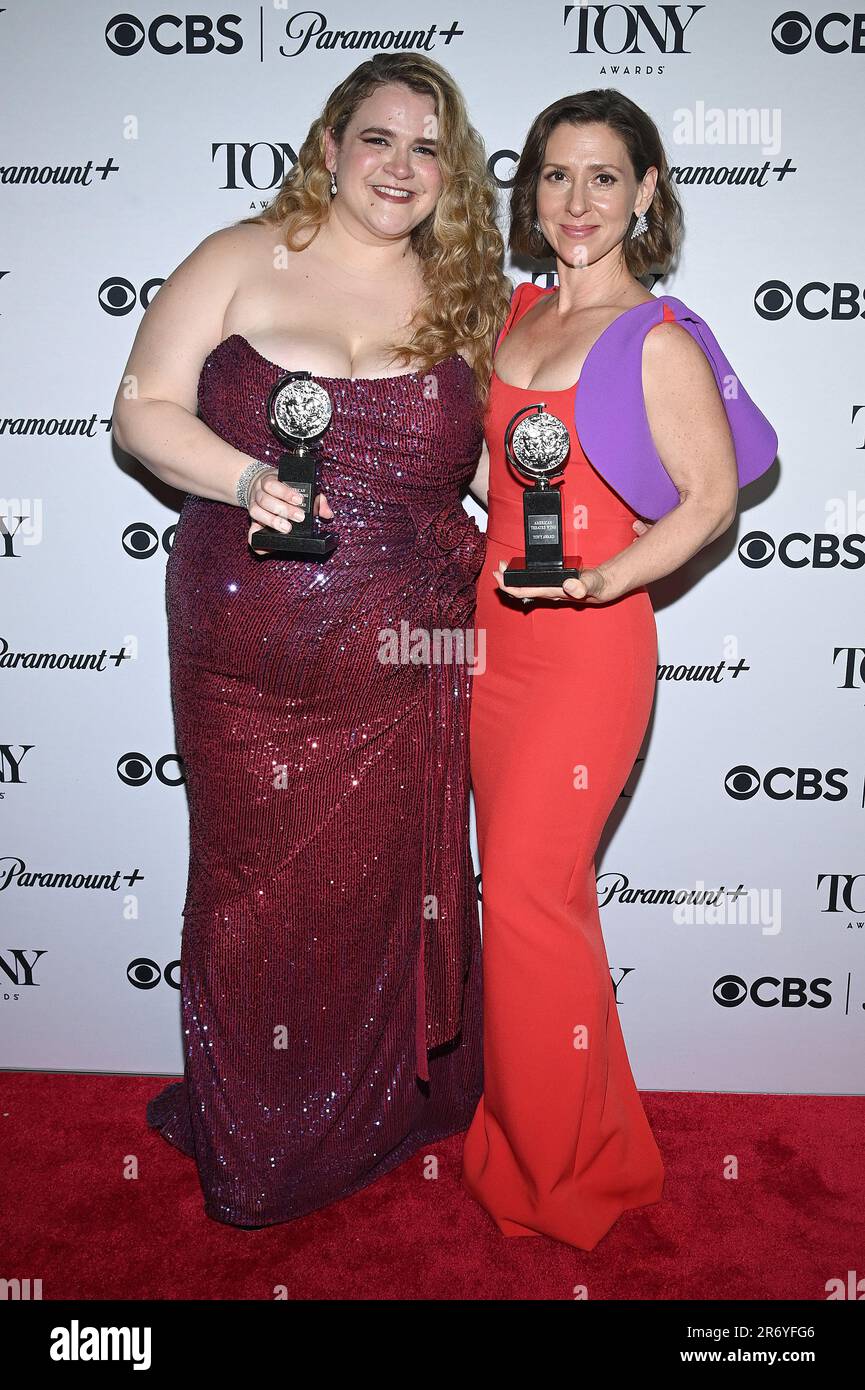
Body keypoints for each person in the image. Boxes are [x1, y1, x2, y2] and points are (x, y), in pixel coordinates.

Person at [111, 53, 510, 1229]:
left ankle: (379, 1106)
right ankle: (261, 1134)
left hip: (407, 654)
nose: (401, 165)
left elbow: (503, 469)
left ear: (451, 175)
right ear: (328, 146)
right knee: (248, 891)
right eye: (377, 138)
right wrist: (243, 477)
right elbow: (140, 406)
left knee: (383, 892)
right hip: (244, 643)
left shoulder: (462, 300)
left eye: (428, 147)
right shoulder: (243, 256)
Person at [460, 89, 777, 1249]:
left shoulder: (656, 336)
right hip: (492, 641)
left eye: (603, 176)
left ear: (646, 193)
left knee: (531, 897)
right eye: (553, 175)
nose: (575, 199)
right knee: (541, 903)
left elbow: (710, 501)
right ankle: (591, 1140)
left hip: (589, 648)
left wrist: (606, 576)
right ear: (529, 193)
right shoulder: (514, 317)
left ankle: (557, 1177)